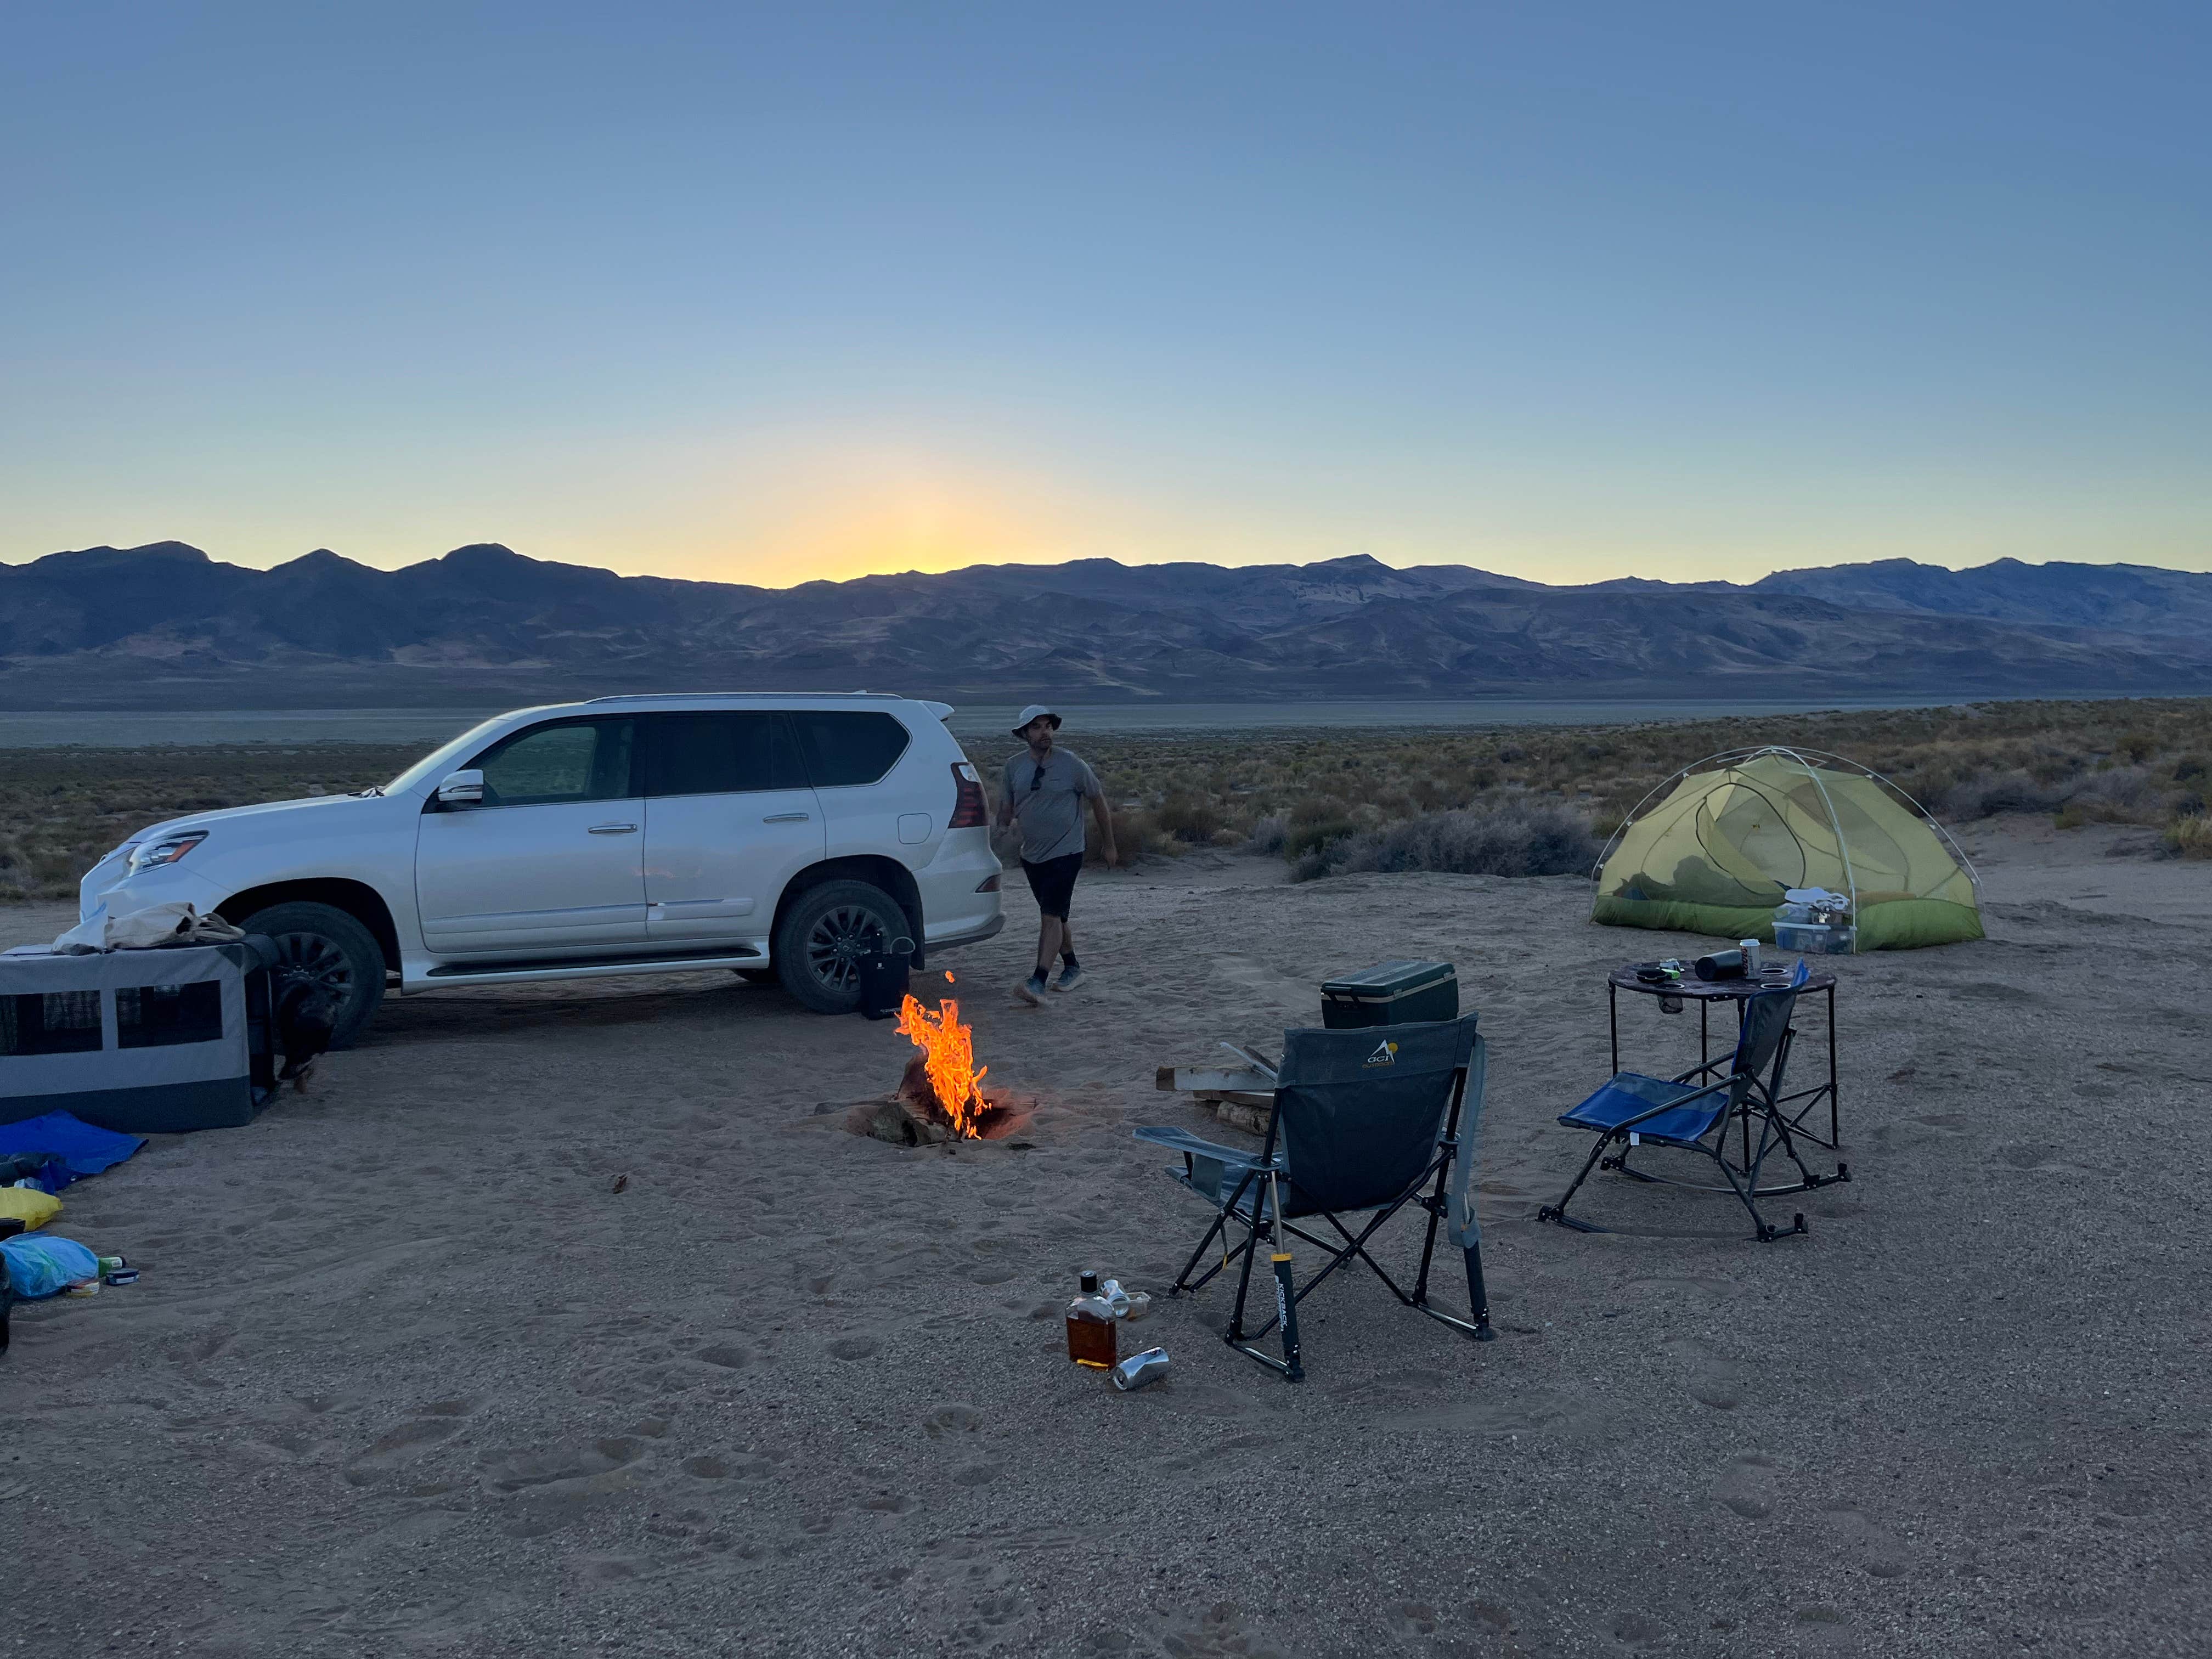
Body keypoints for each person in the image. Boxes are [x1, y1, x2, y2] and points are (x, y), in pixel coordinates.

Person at [996, 704, 1116, 1004]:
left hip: (1067, 851)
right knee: (1056, 915)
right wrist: (996, 833)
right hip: (1032, 856)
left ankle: (1038, 980)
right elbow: (1006, 811)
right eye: (1037, 727)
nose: (1044, 732)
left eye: (1048, 726)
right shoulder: (1014, 767)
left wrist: (1110, 844)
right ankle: (1073, 968)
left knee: (1050, 916)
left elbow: (1098, 799)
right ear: (1024, 734)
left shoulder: (1072, 764)